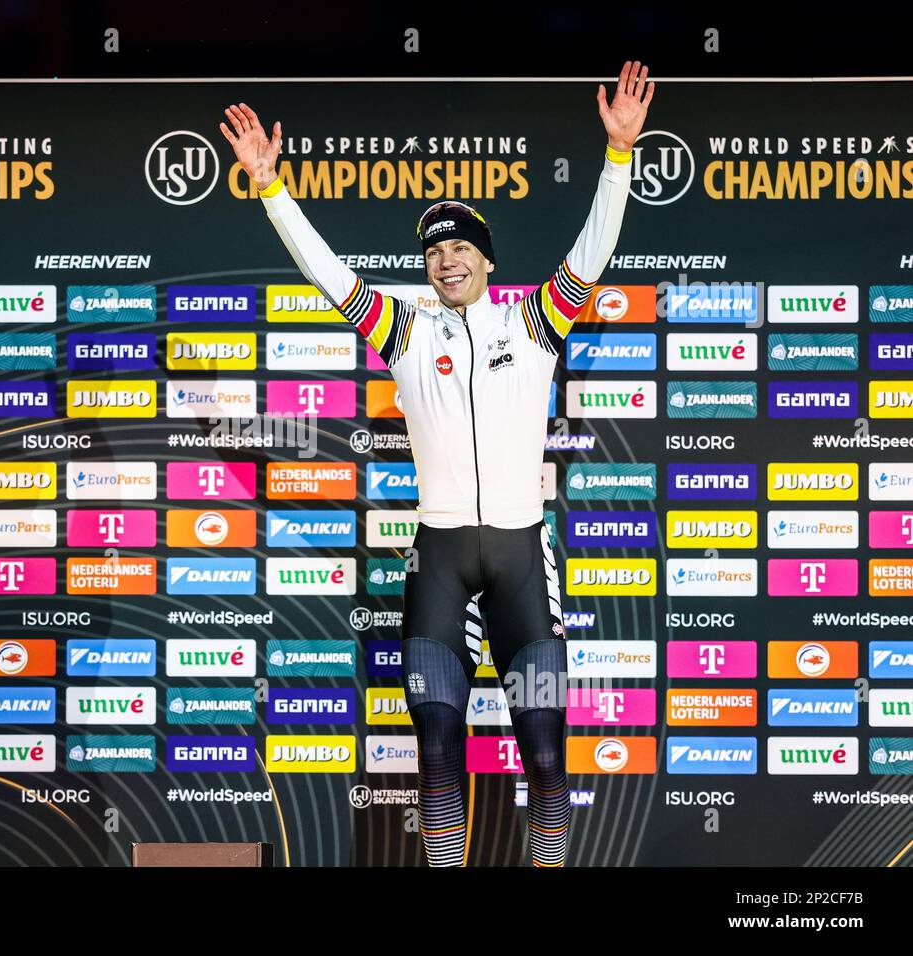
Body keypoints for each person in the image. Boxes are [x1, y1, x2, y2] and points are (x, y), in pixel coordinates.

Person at [220, 61, 655, 867]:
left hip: (524, 559)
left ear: (487, 260)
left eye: (461, 247)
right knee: (437, 757)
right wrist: (271, 187)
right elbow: (324, 269)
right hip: (441, 561)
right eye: (434, 250)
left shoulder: (534, 322)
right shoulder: (404, 332)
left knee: (550, 761)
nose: (447, 259)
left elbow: (593, 253)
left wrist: (620, 154)